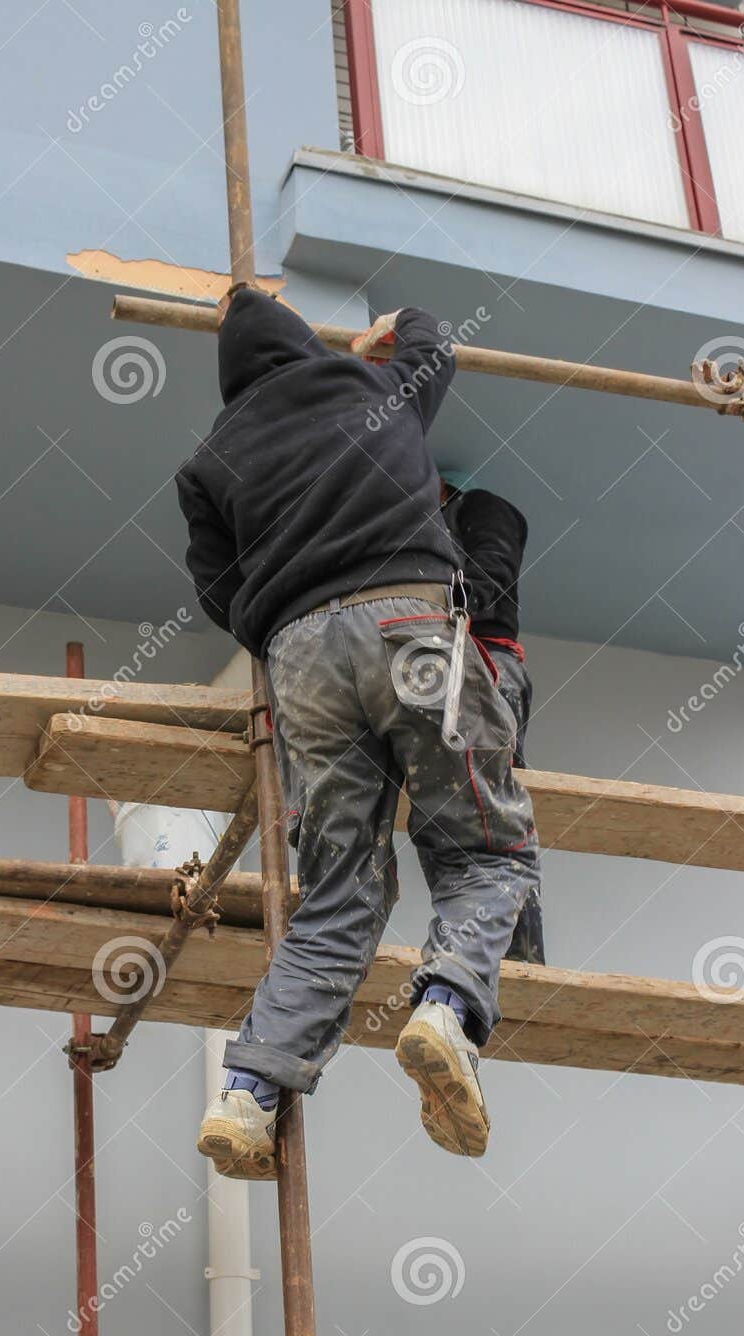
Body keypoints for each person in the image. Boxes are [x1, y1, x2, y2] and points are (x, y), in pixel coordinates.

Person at [176, 286, 538, 1179]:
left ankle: (247, 1094)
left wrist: (285, 619)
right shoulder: (360, 385)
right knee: (485, 853)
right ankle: (445, 1007)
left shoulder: (209, 458)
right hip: (409, 625)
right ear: (305, 344)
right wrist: (393, 328)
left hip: (299, 658)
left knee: (338, 892)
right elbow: (435, 344)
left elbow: (217, 587)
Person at [438, 473, 545, 966]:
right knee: (466, 820)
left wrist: (445, 606)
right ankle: (479, 956)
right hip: (455, 669)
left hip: (487, 667)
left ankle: (517, 956)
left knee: (498, 817)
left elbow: (493, 566)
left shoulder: (480, 506)